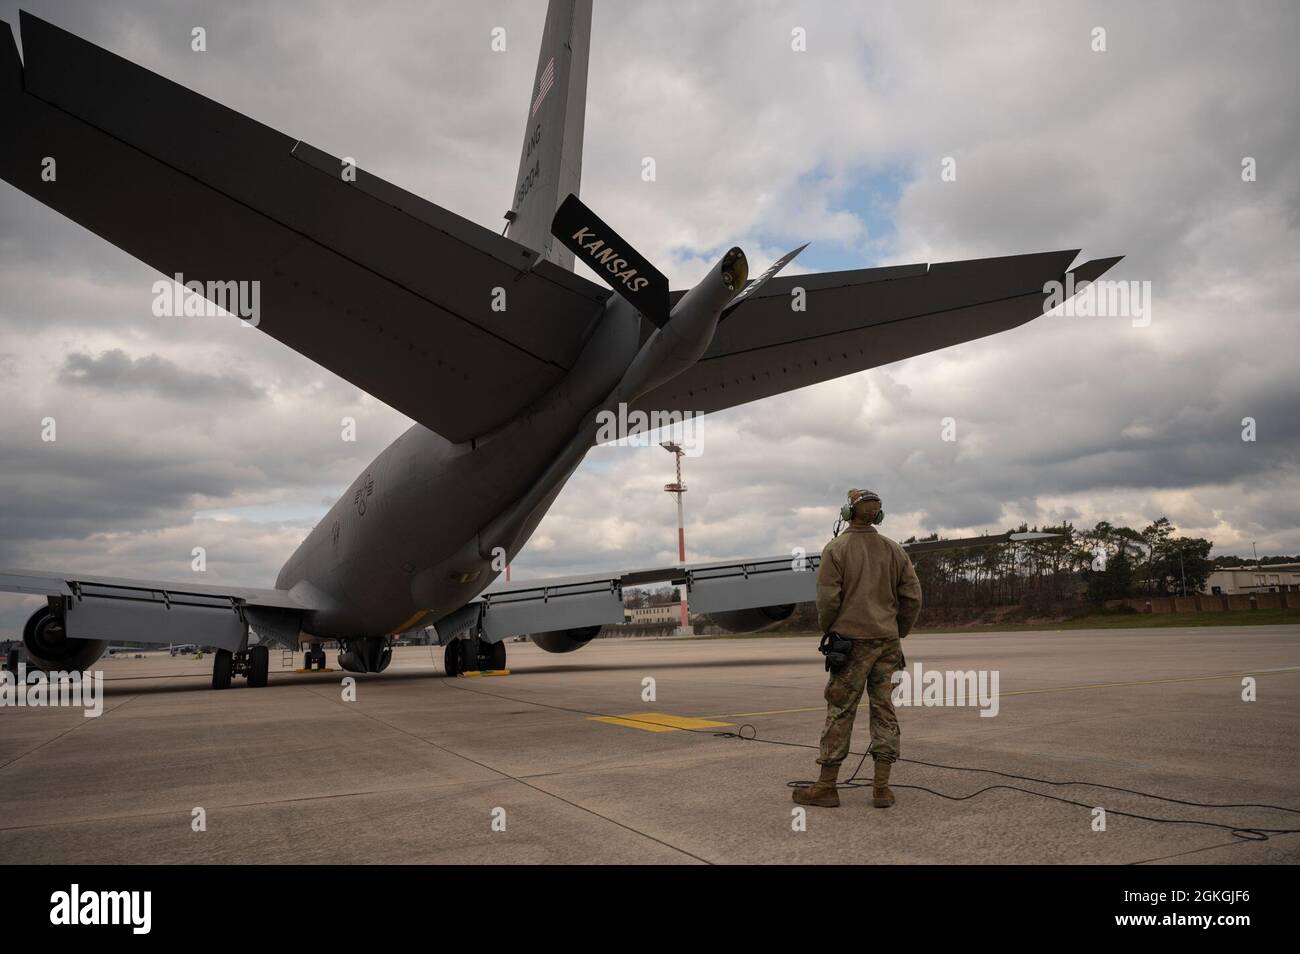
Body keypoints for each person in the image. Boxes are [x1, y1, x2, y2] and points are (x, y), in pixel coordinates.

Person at [792, 489, 922, 809]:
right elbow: (912, 597)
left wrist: (831, 629)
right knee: (884, 710)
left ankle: (827, 786)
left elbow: (827, 600)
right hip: (887, 642)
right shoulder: (894, 550)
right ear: (878, 516)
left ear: (847, 513)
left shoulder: (836, 549)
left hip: (850, 644)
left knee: (840, 711)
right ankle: (881, 788)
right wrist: (897, 630)